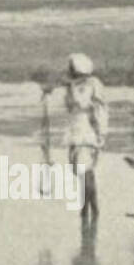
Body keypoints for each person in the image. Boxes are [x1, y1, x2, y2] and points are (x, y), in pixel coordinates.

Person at [54, 53, 108, 223]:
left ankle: (88, 210)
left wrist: (100, 133)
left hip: (85, 131)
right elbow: (69, 105)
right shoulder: (76, 86)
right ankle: (91, 210)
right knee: (84, 172)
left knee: (85, 171)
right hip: (76, 130)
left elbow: (86, 105)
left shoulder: (90, 86)